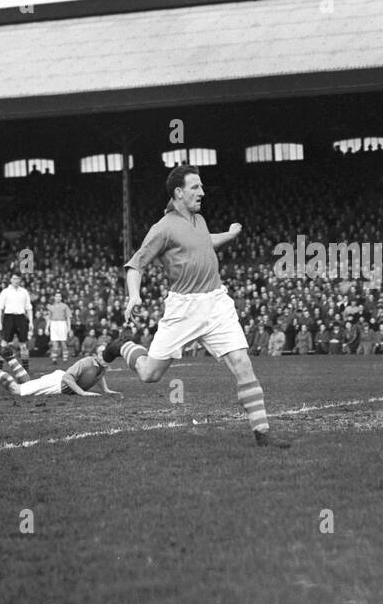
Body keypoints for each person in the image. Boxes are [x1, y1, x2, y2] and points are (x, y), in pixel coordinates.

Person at [119, 165, 290, 447]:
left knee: (242, 362)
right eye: (195, 187)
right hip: (183, 309)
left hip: (216, 302)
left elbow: (204, 242)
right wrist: (134, 295)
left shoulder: (199, 220)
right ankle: (123, 345)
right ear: (178, 192)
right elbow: (135, 264)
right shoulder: (162, 229)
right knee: (150, 374)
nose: (202, 192)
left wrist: (230, 235)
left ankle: (262, 433)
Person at [0, 343, 121, 397]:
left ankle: (9, 357)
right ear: (96, 355)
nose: (105, 356)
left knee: (27, 384)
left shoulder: (103, 366)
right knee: (17, 390)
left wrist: (106, 390)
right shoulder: (86, 362)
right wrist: (82, 393)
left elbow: (99, 375)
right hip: (58, 383)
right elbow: (67, 378)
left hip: (59, 383)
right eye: (102, 353)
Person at [0, 272, 34, 370]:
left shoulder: (24, 292)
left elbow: (29, 307)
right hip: (8, 318)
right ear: (11, 280)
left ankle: (26, 368)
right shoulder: (5, 292)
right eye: (14, 278)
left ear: (20, 280)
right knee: (4, 343)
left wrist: (31, 322)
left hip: (21, 318)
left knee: (23, 344)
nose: (16, 281)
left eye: (18, 279)